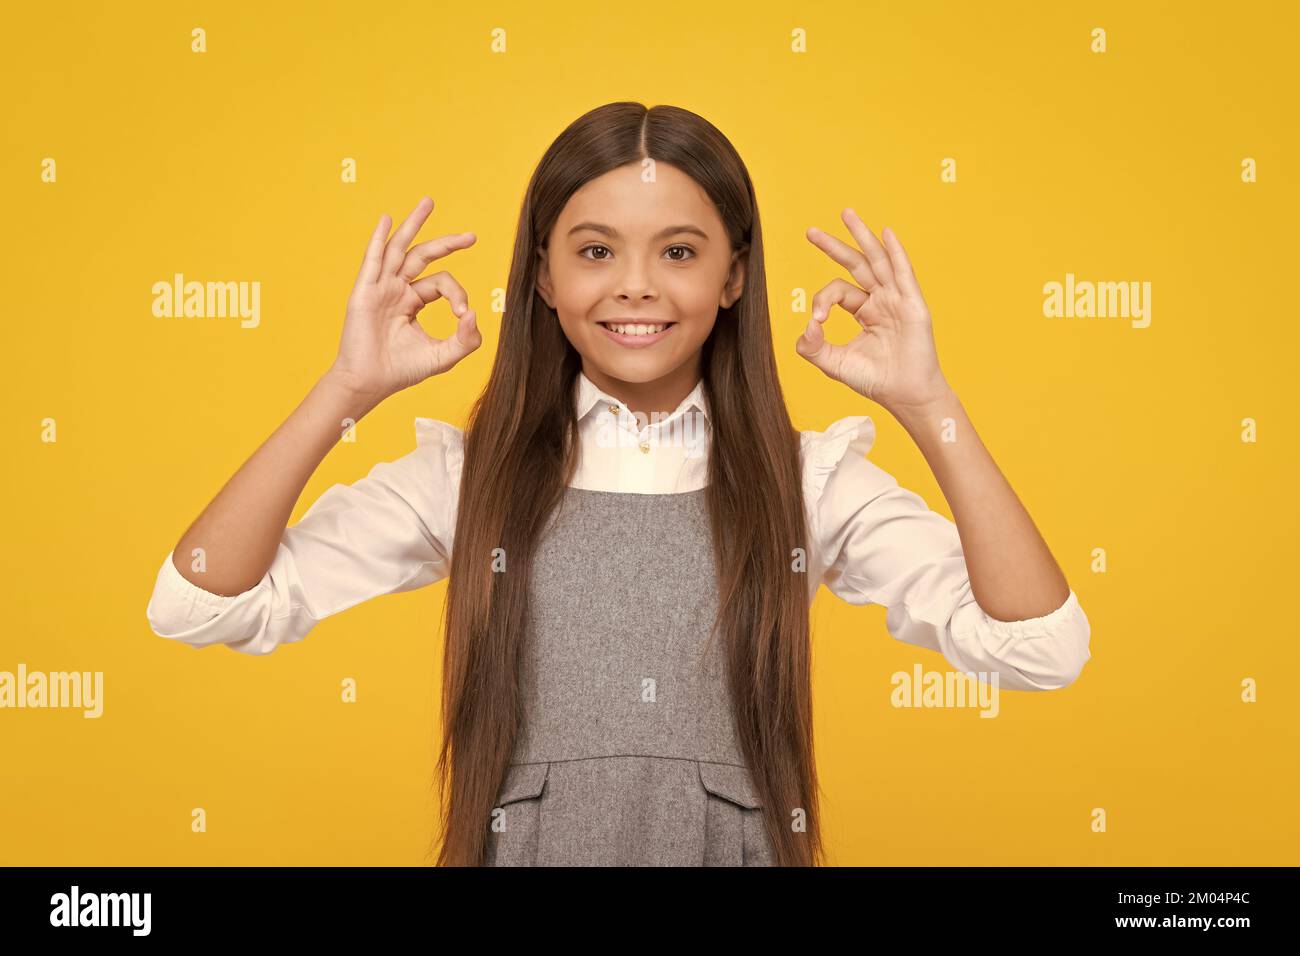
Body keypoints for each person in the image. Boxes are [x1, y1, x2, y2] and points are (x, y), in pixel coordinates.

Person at [146, 101, 1091, 867]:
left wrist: (929, 405)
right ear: (545, 279)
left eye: (679, 252)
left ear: (733, 278)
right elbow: (198, 601)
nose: (635, 286)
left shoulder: (808, 483)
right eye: (596, 251)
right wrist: (345, 389)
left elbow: (1039, 647)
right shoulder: (467, 482)